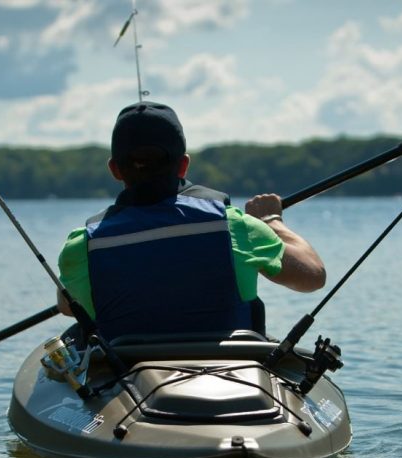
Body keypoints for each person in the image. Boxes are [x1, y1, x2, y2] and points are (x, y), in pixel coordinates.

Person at [56, 101, 325, 342]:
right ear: (183, 165)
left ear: (114, 169)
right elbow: (312, 276)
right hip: (234, 378)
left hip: (129, 383)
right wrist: (271, 220)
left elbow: (68, 306)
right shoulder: (235, 226)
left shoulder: (84, 245)